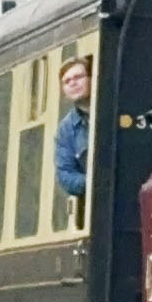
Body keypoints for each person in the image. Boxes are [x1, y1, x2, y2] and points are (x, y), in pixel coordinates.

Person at [54, 57, 92, 197]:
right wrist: (93, 182)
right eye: (67, 81)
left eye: (78, 77)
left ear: (91, 79)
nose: (73, 83)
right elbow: (65, 174)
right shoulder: (66, 129)